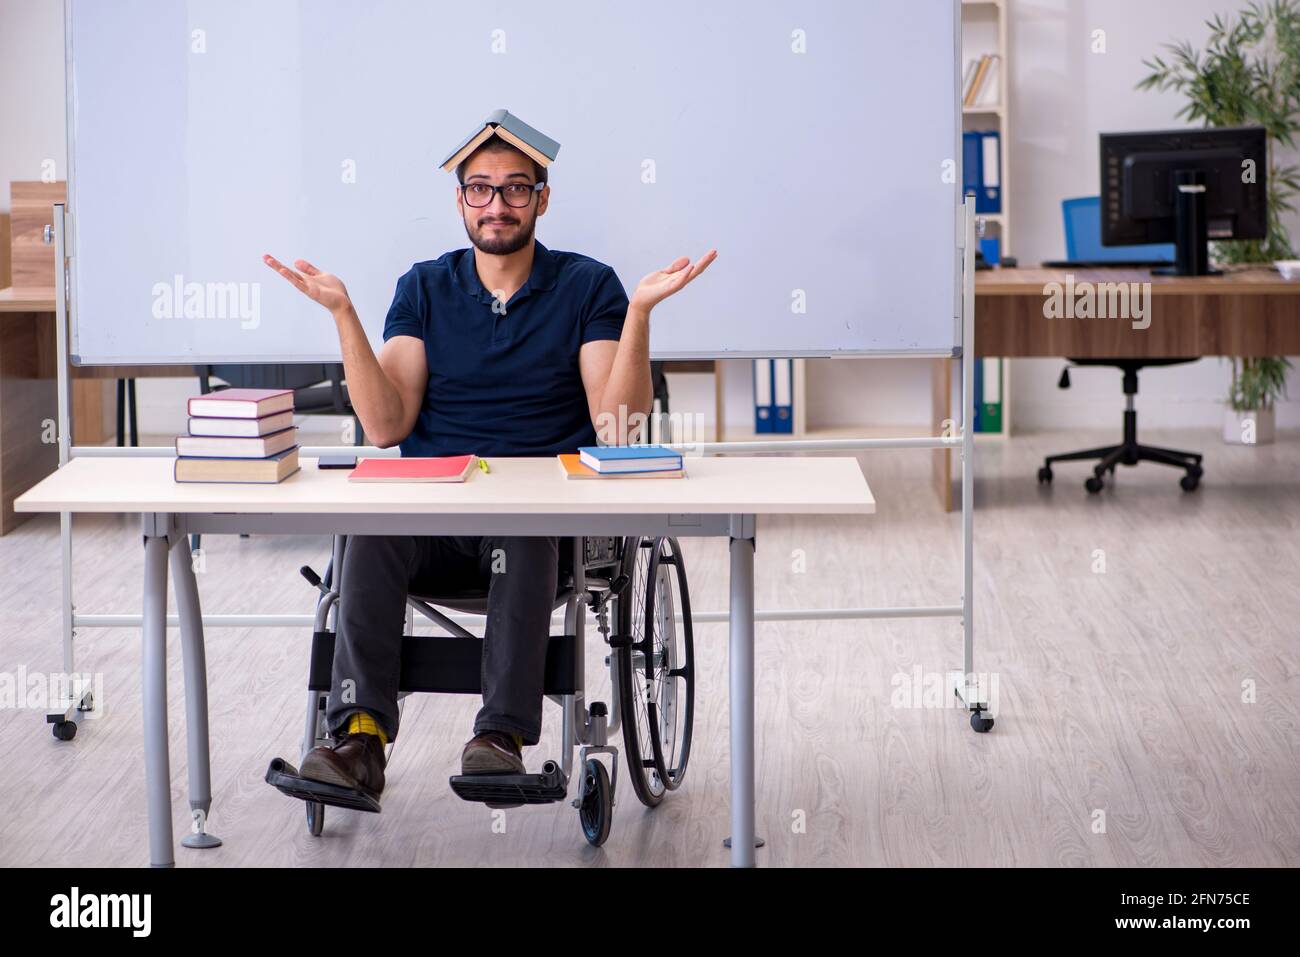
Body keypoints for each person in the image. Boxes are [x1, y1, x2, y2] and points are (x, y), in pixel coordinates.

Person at [262, 129, 715, 806]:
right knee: (369, 528)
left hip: (538, 535)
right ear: (460, 201)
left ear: (542, 199)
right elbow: (386, 425)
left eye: (514, 189)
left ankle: (499, 737)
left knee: (522, 524)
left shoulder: (588, 286)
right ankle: (358, 742)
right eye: (481, 189)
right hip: (434, 526)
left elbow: (615, 424)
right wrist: (344, 313)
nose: (496, 204)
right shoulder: (424, 287)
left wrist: (641, 313)